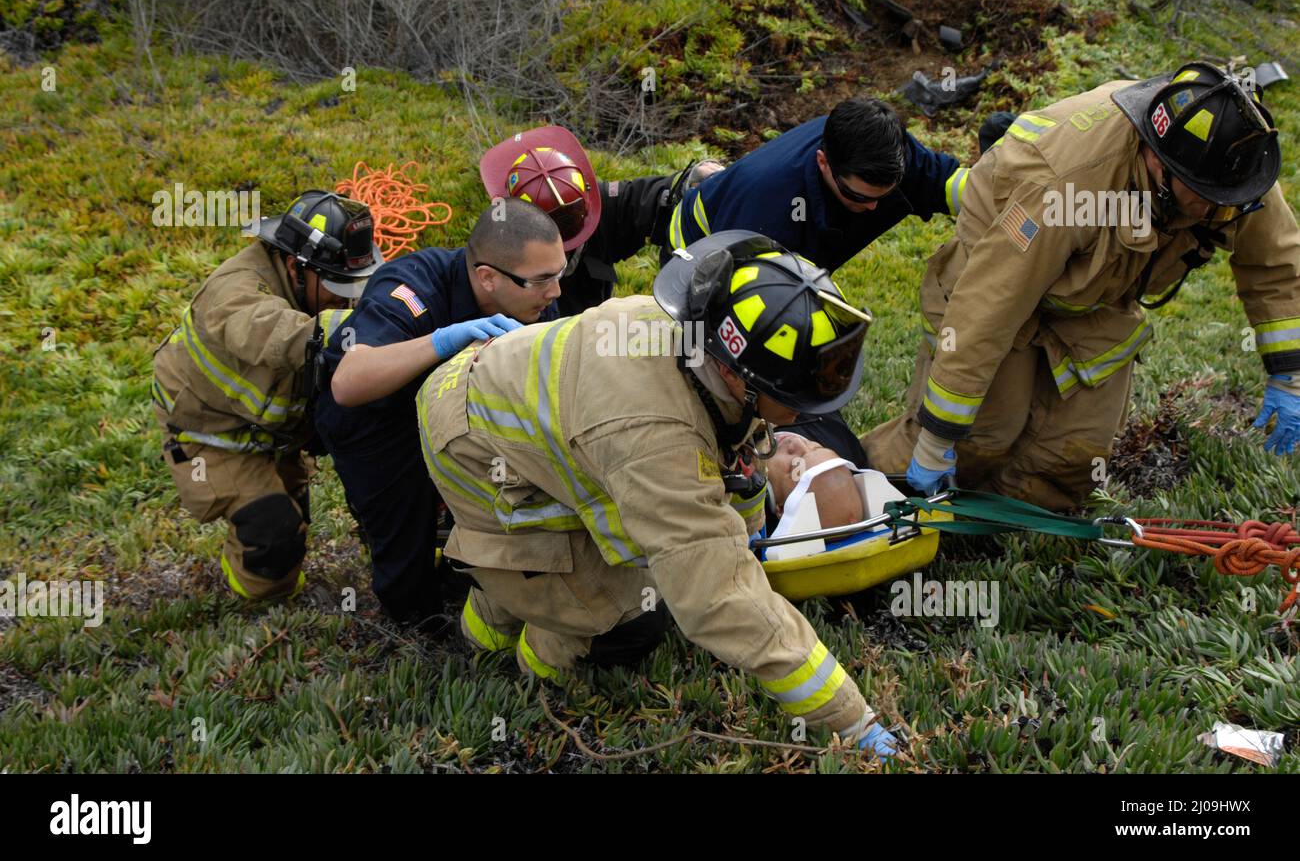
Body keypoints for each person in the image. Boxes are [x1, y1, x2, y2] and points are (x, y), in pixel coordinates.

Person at [418, 229, 899, 758]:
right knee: (607, 593)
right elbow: (715, 595)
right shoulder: (653, 435)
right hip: (469, 442)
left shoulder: (698, 337)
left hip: (503, 393)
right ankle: (537, 674)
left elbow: (738, 446)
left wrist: (749, 530)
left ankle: (497, 614)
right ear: (738, 377)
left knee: (584, 551)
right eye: (796, 398)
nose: (808, 420)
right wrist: (853, 722)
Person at [863, 61, 1300, 510]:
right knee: (983, 436)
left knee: (1074, 455)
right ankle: (850, 489)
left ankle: (1001, 529)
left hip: (1096, 292)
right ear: (1157, 161)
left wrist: (1289, 374)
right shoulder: (1066, 183)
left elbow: (1275, 262)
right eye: (1207, 202)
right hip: (999, 267)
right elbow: (990, 304)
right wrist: (938, 441)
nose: (1221, 214)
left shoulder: (1231, 165)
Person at [312, 199, 564, 626]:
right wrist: (443, 341)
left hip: (458, 417)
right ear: (487, 277)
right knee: (406, 555)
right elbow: (348, 383)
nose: (555, 291)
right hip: (380, 425)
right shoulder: (410, 288)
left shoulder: (533, 298)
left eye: (560, 273)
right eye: (542, 279)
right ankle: (415, 622)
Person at [152, 190, 383, 600]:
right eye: (335, 285)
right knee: (273, 535)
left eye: (353, 285)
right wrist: (353, 331)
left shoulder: (308, 285)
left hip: (276, 434)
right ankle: (258, 605)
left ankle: (274, 576)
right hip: (211, 437)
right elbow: (271, 330)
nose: (347, 297)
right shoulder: (235, 292)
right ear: (296, 267)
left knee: (296, 516)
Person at [664, 96, 972, 272]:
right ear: (823, 162)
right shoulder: (770, 203)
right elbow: (742, 290)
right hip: (700, 250)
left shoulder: (890, 150)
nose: (873, 206)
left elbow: (950, 184)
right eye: (857, 195)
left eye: (885, 195)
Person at [480, 124, 721, 315]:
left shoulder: (599, 209)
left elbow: (642, 200)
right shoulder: (497, 256)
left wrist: (688, 184)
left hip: (592, 338)